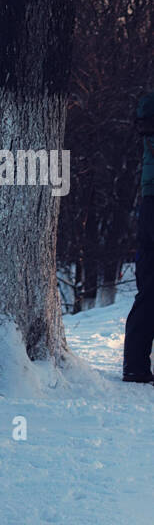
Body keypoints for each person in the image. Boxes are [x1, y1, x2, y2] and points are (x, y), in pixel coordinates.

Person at [123, 94, 154, 383]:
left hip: (149, 203)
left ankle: (135, 365)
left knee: (149, 289)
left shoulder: (147, 106)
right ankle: (135, 366)